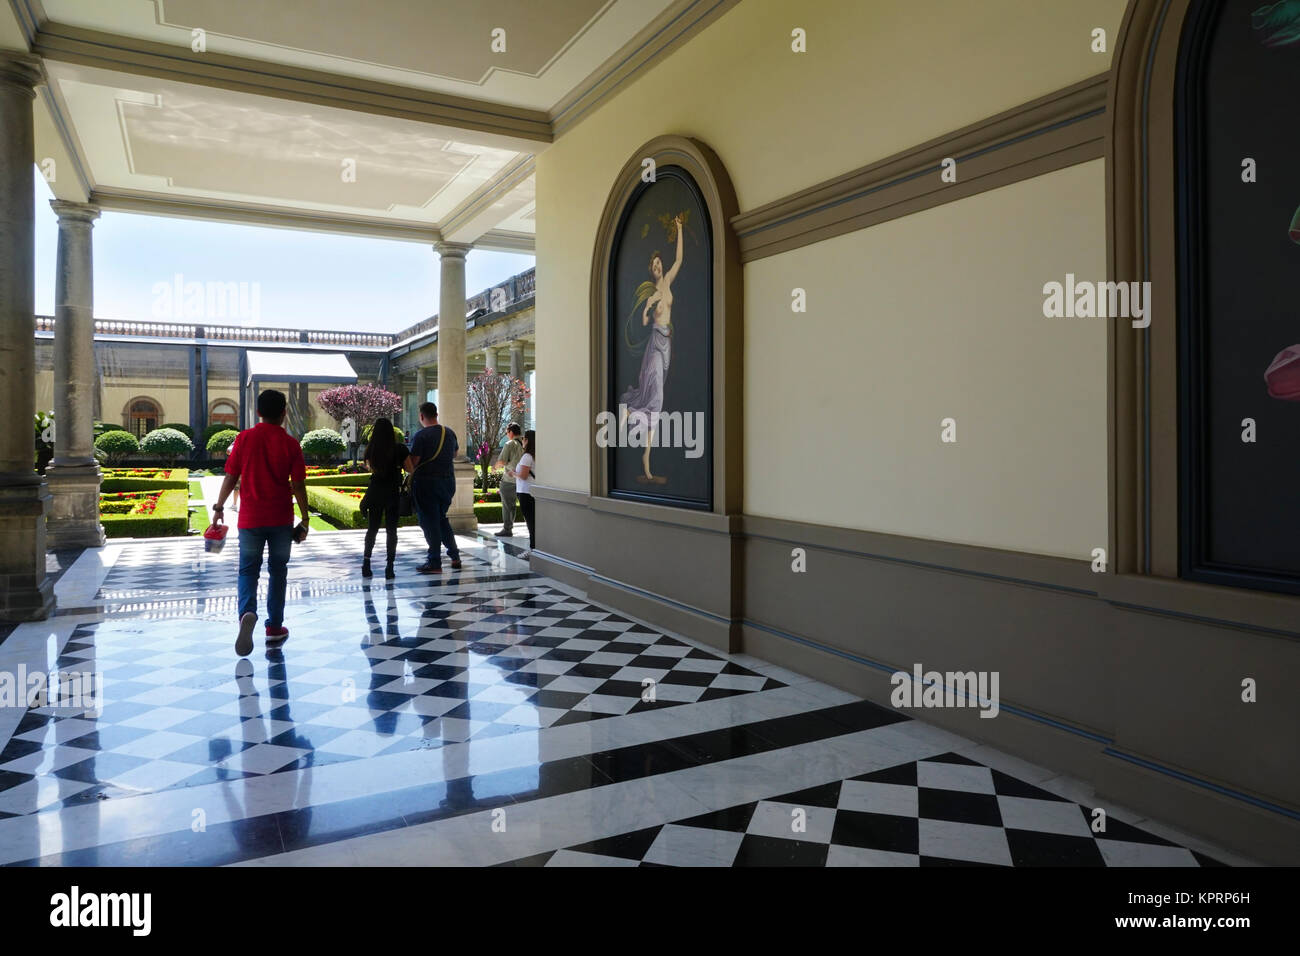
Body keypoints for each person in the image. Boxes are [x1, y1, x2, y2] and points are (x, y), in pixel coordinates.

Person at [212, 389, 310, 657]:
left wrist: (219, 508)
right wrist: (305, 518)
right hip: (280, 519)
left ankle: (247, 612)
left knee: (247, 571)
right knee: (278, 572)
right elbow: (298, 485)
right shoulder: (291, 444)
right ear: (284, 413)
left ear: (258, 412)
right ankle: (275, 627)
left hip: (251, 519)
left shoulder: (244, 439)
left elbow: (231, 476)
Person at [620, 213, 684, 483]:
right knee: (656, 399)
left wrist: (679, 229)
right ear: (651, 270)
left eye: (659, 263)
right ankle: (634, 424)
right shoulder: (651, 293)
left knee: (657, 401)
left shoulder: (667, 282)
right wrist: (647, 308)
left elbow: (679, 259)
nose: (658, 267)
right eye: (654, 265)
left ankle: (647, 454)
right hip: (655, 344)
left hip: (667, 343)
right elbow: (645, 322)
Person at [404, 401, 462, 574]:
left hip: (427, 483)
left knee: (430, 523)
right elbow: (454, 454)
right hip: (448, 483)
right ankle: (454, 556)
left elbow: (413, 463)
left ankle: (434, 562)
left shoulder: (421, 436)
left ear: (421, 416)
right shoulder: (449, 432)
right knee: (441, 519)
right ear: (436, 414)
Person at [360, 417, 408, 579]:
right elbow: (410, 468)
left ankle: (366, 563)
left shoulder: (371, 449)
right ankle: (390, 567)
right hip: (392, 492)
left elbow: (371, 468)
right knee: (391, 531)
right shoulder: (400, 449)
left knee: (372, 529)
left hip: (375, 492)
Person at [494, 422, 524, 538]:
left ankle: (507, 529)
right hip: (524, 480)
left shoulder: (510, 444)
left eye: (507, 432)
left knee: (508, 506)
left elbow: (502, 461)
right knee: (527, 507)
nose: (507, 435)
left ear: (511, 432)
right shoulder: (526, 443)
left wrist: (494, 468)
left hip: (509, 480)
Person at [513, 429, 536, 551]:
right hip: (531, 491)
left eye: (523, 439)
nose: (522, 441)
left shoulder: (527, 456)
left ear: (527, 440)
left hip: (525, 492)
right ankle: (534, 548)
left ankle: (533, 548)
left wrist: (513, 473)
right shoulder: (535, 455)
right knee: (533, 521)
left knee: (530, 522)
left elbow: (523, 475)